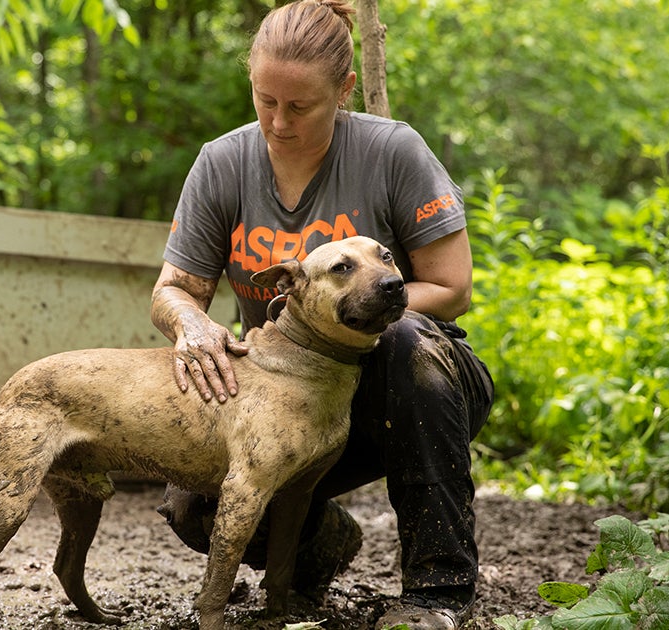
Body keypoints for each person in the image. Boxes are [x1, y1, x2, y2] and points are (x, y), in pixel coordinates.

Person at [148, 1, 495, 628]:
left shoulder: (395, 151)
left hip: (413, 390)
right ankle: (321, 539)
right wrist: (191, 323)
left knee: (407, 339)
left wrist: (341, 317)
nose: (278, 122)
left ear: (344, 90)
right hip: (295, 398)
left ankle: (436, 594)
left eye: (300, 106)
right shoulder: (222, 163)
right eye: (264, 101)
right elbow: (173, 289)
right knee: (192, 509)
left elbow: (452, 288)